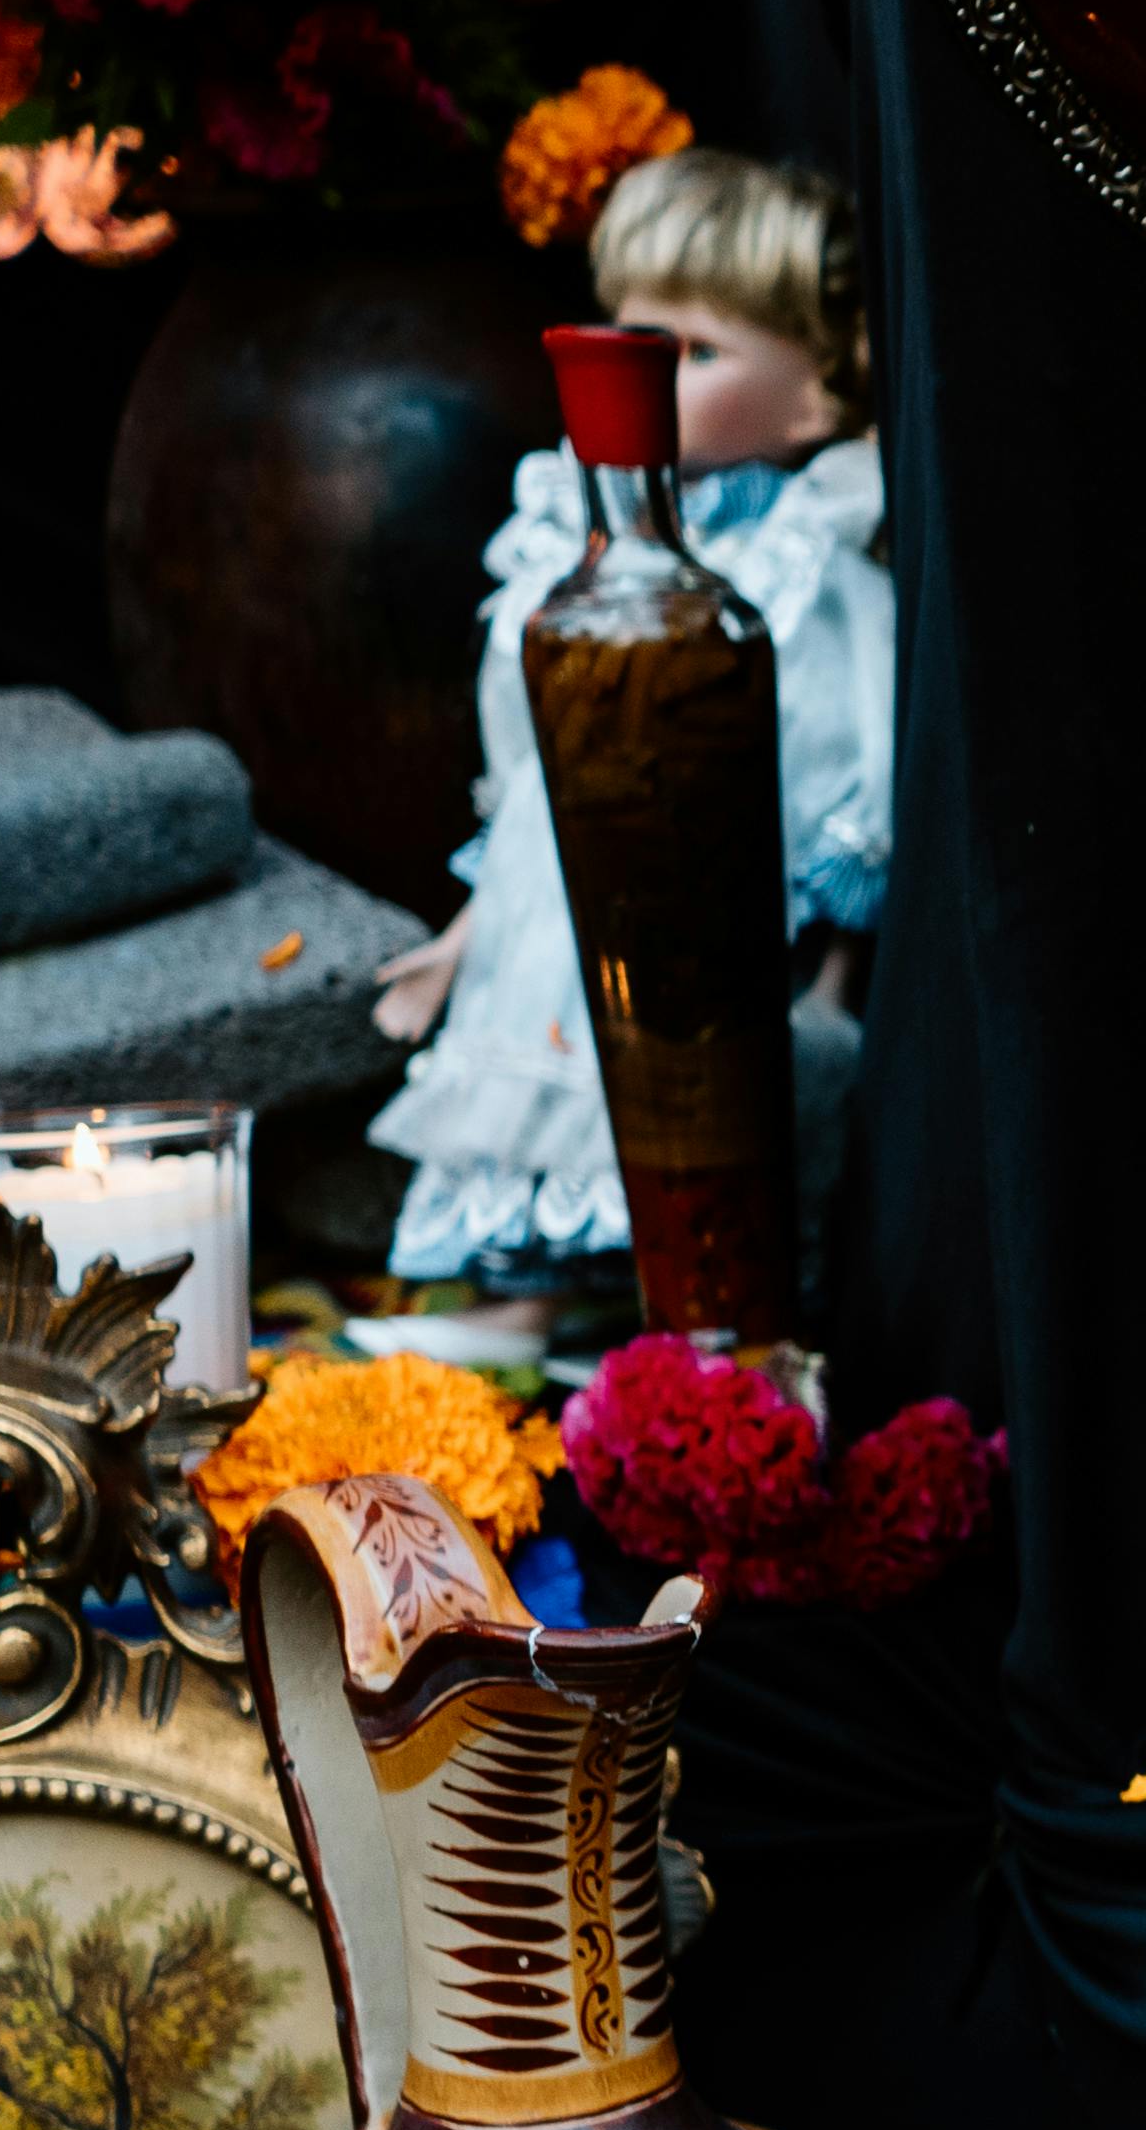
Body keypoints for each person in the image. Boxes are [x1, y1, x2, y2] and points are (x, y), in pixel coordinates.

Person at [374, 146, 898, 1302]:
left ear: (819, 391)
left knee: (673, 1096)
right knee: (531, 1059)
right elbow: (531, 772)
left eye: (696, 353)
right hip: (564, 886)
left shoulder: (802, 553)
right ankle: (530, 1281)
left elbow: (853, 733)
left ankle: (650, 1281)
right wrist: (465, 938)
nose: (647, 372)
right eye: (629, 334)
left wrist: (834, 969)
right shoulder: (565, 531)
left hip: (707, 907)